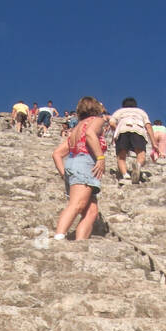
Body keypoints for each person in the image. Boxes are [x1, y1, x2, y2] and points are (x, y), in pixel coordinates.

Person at [50, 96, 106, 242]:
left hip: (73, 163)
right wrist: (100, 158)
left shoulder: (77, 127)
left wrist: (65, 174)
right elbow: (90, 134)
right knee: (77, 205)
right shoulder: (97, 121)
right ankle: (59, 237)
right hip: (85, 163)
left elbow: (57, 154)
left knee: (92, 211)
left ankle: (80, 242)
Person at [109, 97, 157, 182]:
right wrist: (154, 144)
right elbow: (148, 126)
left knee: (121, 157)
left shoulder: (119, 111)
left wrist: (117, 129)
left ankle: (125, 175)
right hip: (138, 130)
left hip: (122, 130)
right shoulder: (141, 111)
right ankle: (138, 165)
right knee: (141, 155)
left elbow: (111, 123)